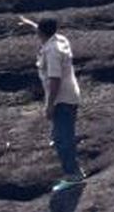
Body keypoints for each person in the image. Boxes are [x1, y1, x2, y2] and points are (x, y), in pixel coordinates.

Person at [19, 16, 85, 191]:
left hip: (61, 99)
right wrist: (30, 24)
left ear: (41, 32)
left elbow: (55, 79)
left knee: (62, 139)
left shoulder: (52, 51)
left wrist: (49, 105)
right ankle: (74, 172)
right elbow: (45, 31)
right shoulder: (59, 39)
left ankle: (74, 176)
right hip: (69, 96)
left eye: (37, 29)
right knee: (61, 135)